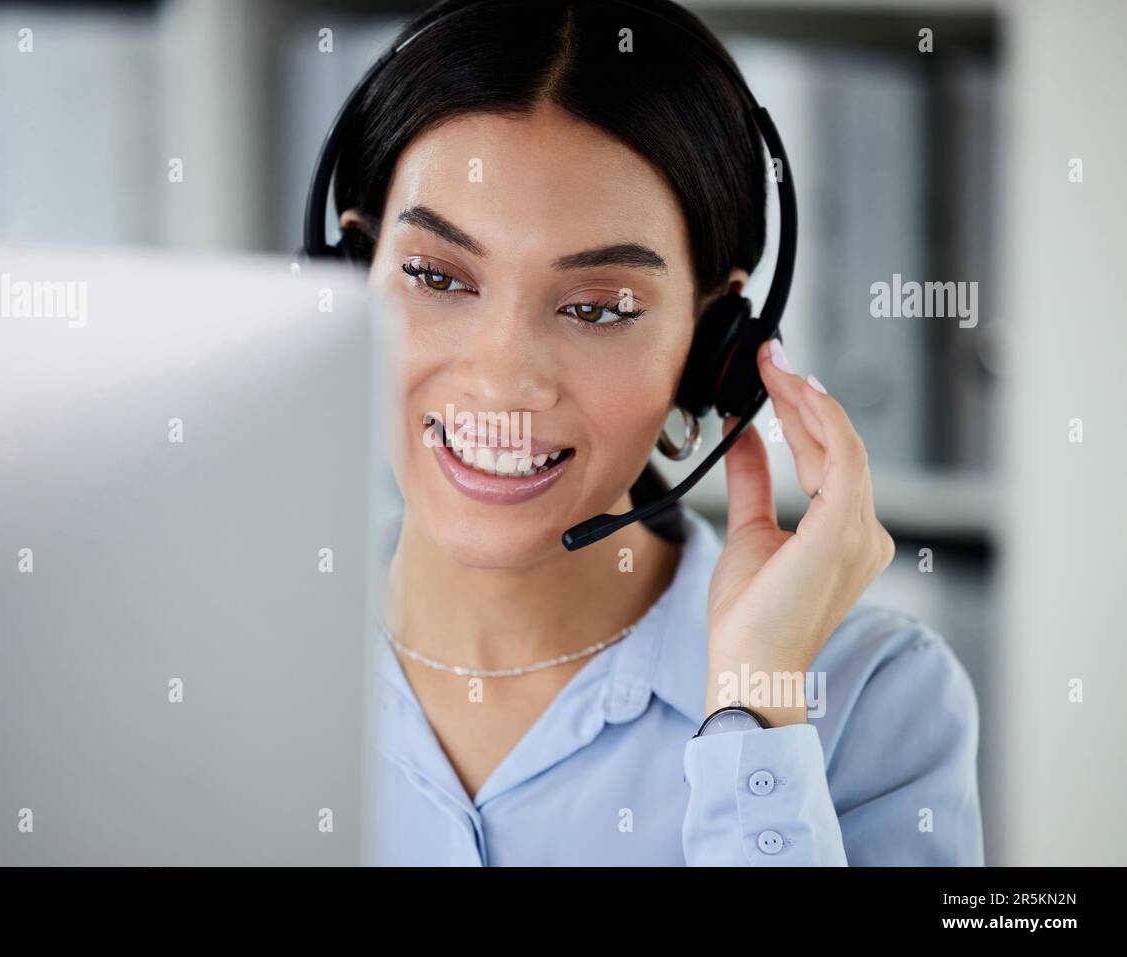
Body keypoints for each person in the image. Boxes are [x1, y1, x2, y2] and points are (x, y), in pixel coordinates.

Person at [332, 0, 984, 865]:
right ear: (346, 279)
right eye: (435, 276)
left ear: (713, 346)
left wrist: (755, 711)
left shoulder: (876, 698)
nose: (500, 378)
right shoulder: (226, 651)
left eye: (597, 307)